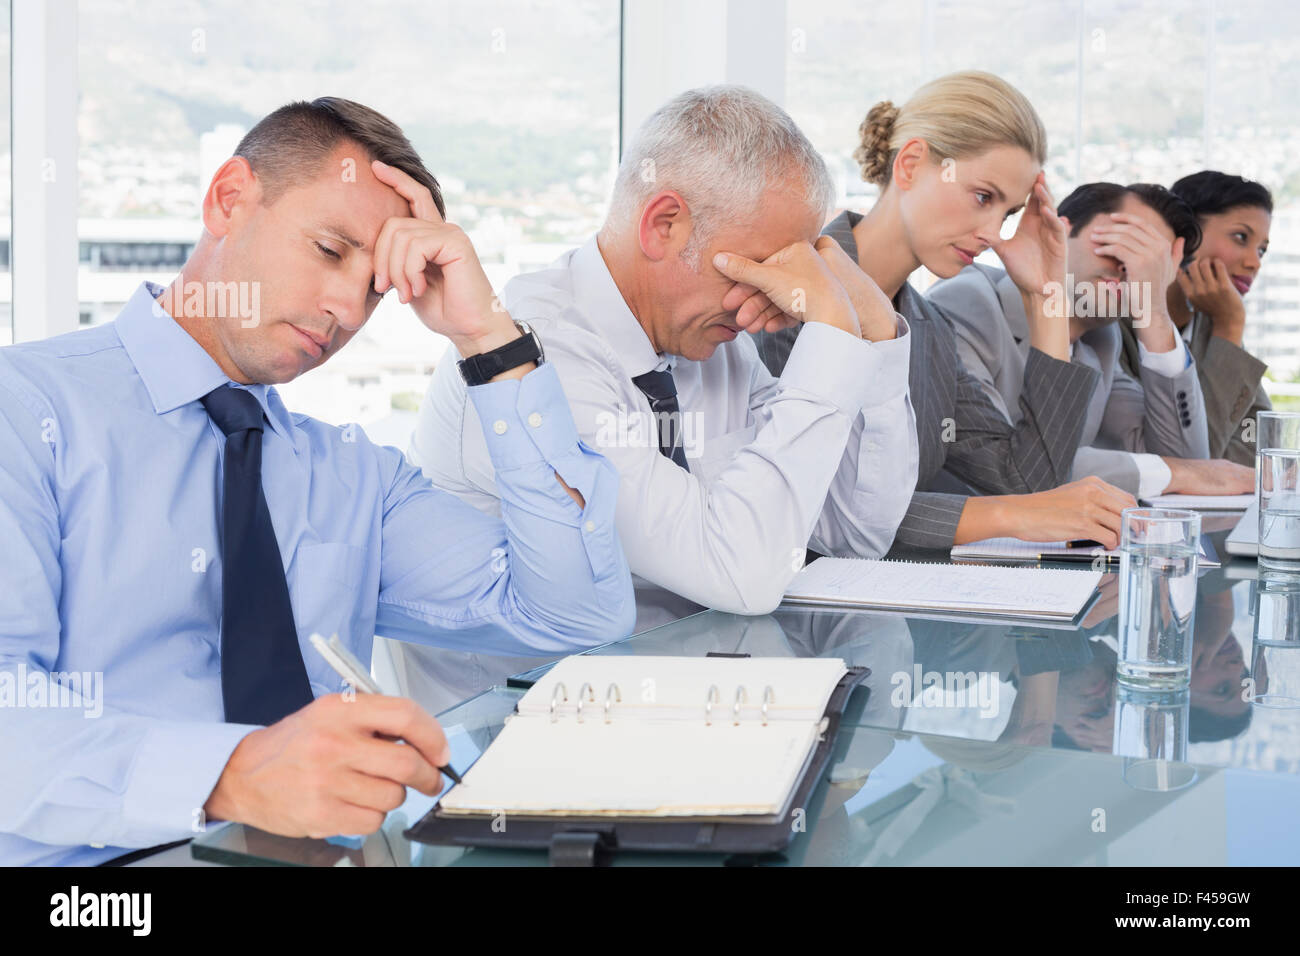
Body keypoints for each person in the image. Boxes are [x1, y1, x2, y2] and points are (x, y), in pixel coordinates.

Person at [0, 98, 634, 866]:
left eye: (374, 288)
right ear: (229, 199)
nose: (345, 309)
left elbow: (577, 616)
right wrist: (232, 776)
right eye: (330, 250)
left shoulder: (355, 476)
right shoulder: (25, 411)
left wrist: (486, 338)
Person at [411, 85, 918, 630]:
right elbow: (739, 573)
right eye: (760, 266)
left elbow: (852, 531)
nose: (771, 294)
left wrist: (876, 333)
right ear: (663, 224)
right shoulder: (530, 356)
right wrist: (832, 334)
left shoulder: (714, 341)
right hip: (511, 706)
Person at [755, 71, 1136, 550]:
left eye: (1008, 213)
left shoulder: (931, 330)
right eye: (983, 197)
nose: (993, 232)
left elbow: (1025, 480)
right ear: (911, 164)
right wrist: (1010, 515)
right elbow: (820, 505)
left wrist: (1044, 297)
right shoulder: (795, 288)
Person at [930, 181, 1254, 499]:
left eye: (1152, 262)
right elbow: (1013, 464)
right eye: (1126, 242)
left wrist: (1154, 311)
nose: (1132, 266)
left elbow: (1188, 464)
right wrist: (1179, 474)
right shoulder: (969, 303)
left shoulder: (1101, 340)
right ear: (1058, 230)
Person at [1116, 171, 1273, 466]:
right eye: (1241, 237)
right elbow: (1193, 464)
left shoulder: (1209, 325)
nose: (1254, 262)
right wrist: (1229, 328)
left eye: (1262, 250)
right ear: (1185, 236)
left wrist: (1226, 329)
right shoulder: (1114, 324)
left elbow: (1262, 449)